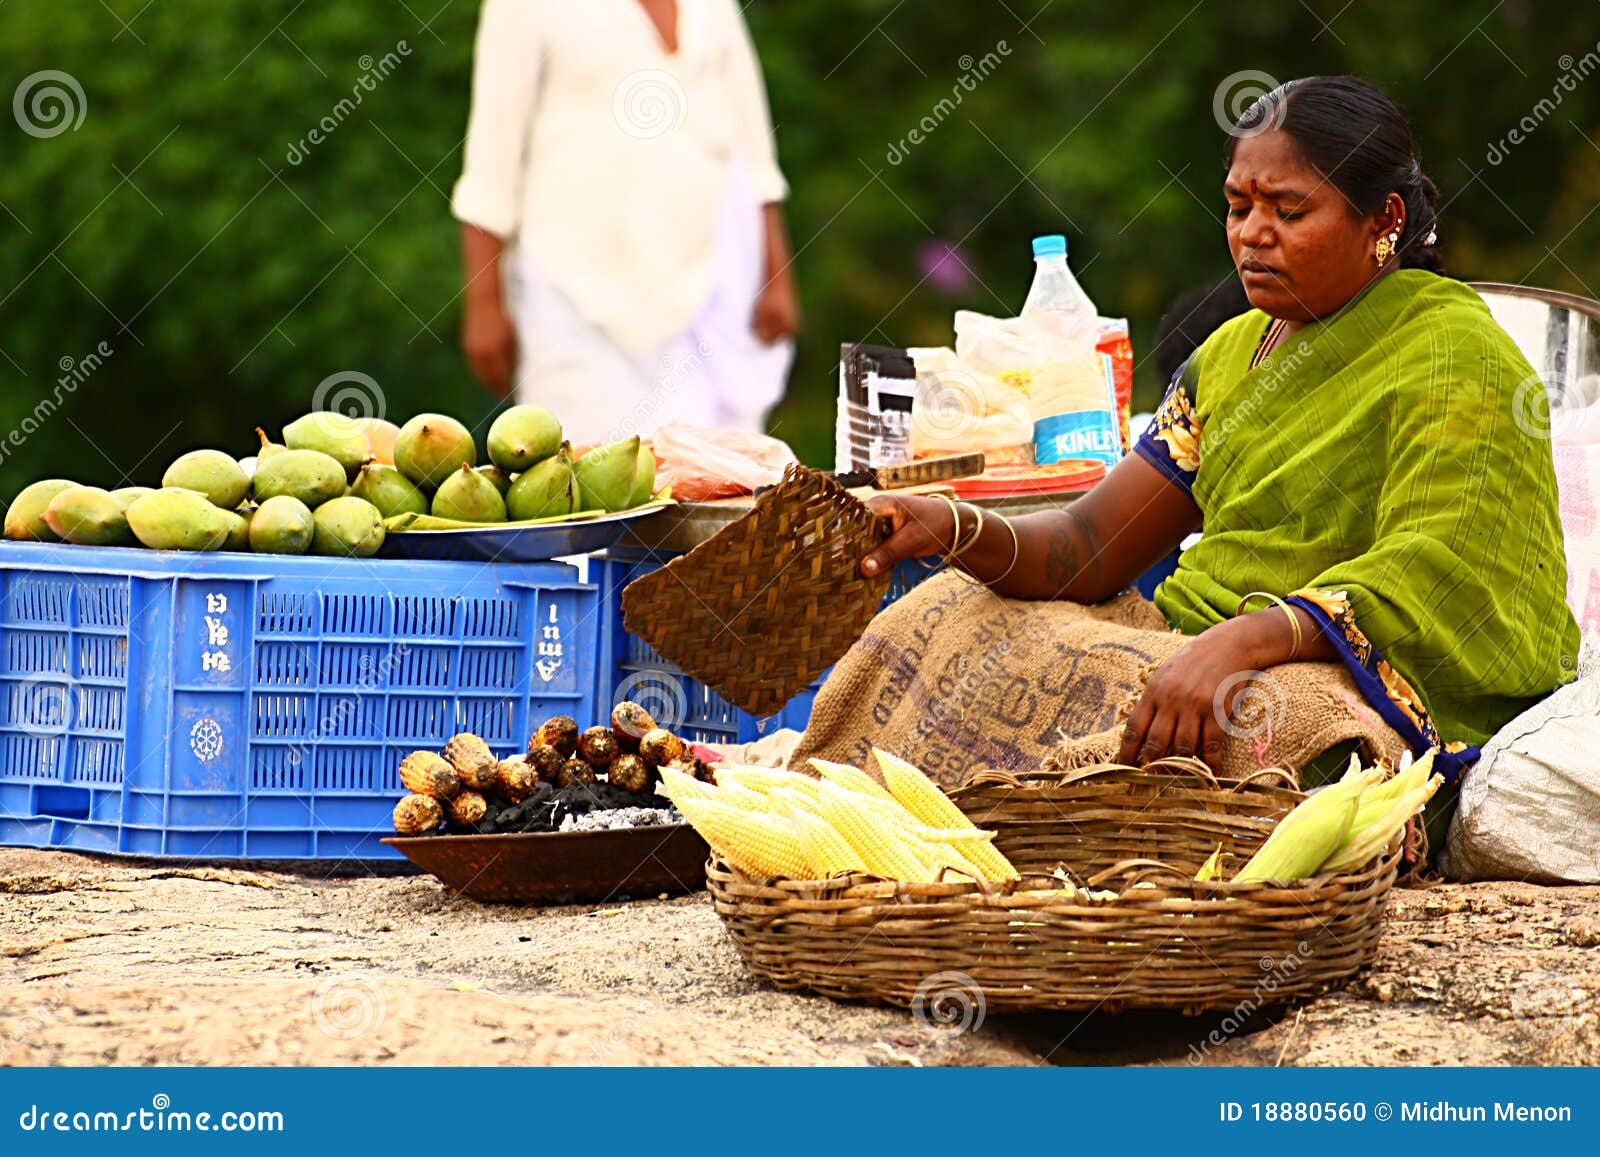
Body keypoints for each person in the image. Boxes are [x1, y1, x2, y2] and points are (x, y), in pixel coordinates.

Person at [857, 76, 1578, 811]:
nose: (1252, 234)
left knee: (1272, 719)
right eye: (1238, 207)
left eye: (1289, 209)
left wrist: (1244, 643)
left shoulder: (1457, 353)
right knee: (948, 612)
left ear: (1383, 218)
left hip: (1339, 675)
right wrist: (952, 526)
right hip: (1190, 642)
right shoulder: (1230, 354)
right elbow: (1089, 542)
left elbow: (1436, 566)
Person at [452, 0, 800, 445]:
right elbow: (490, 164)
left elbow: (753, 145)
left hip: (713, 296)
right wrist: (484, 304)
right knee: (595, 487)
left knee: (721, 488)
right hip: (575, 296)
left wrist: (777, 273)